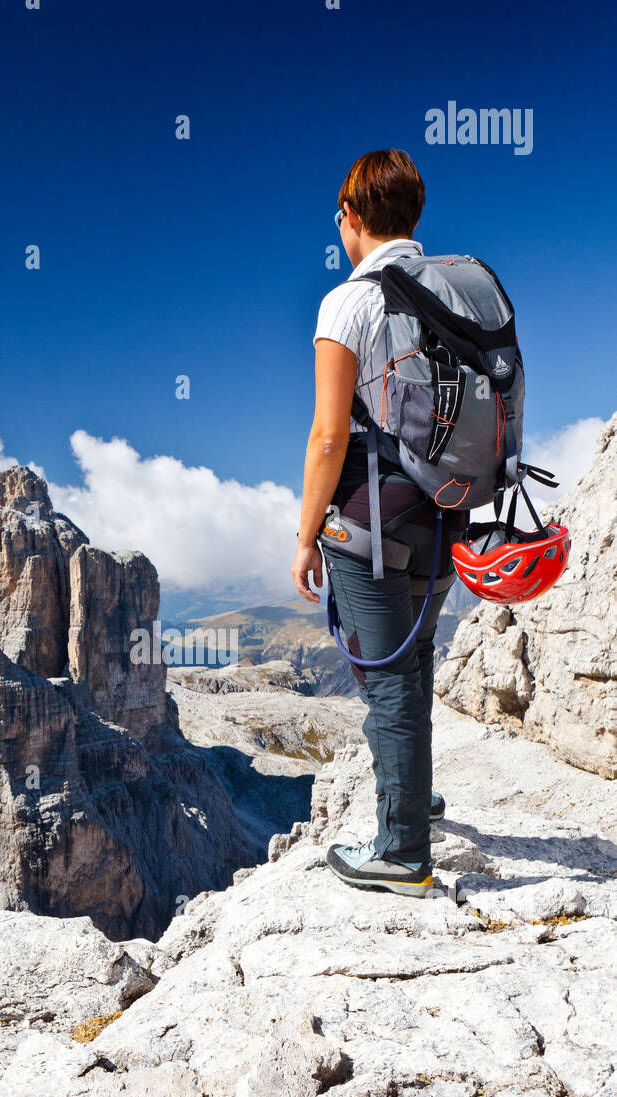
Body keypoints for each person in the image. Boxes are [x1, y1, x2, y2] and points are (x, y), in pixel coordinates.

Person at [291, 149, 465, 898]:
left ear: (353, 217)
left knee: (385, 675)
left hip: (373, 516)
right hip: (448, 510)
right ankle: (413, 795)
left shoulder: (349, 301)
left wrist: (304, 537)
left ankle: (401, 850)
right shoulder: (453, 291)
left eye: (339, 214)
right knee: (415, 657)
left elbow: (329, 436)